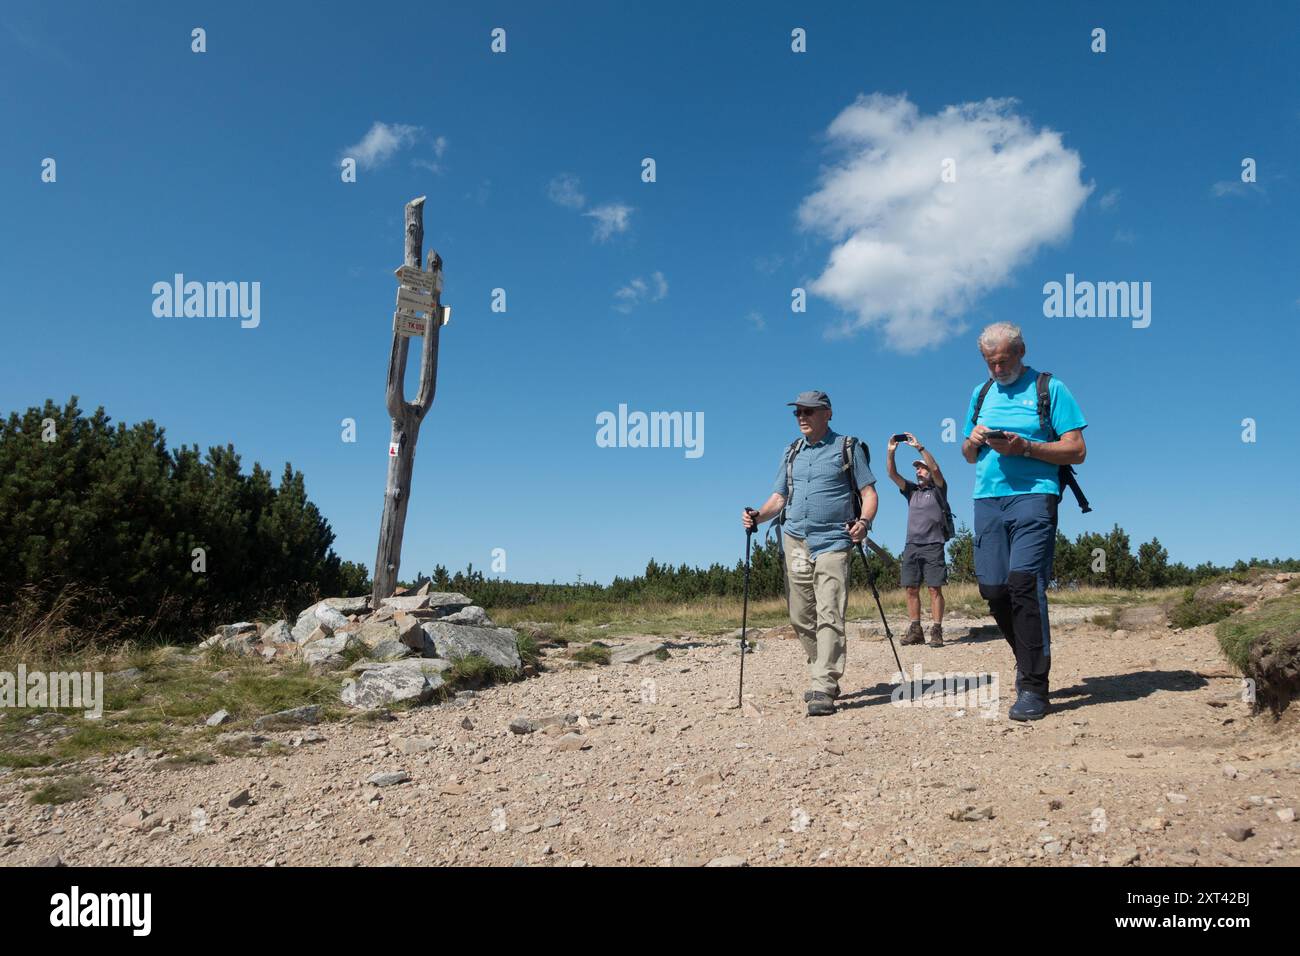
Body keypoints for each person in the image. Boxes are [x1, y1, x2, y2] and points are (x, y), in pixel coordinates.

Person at [961, 322, 1087, 721]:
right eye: (989, 363)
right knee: (994, 590)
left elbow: (1077, 450)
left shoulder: (1051, 388)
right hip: (987, 499)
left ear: (1021, 351)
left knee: (1024, 584)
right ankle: (1028, 656)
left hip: (1035, 495)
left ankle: (1033, 687)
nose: (997, 370)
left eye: (1003, 361)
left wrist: (1027, 447)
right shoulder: (980, 394)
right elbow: (966, 454)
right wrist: (975, 439)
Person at [742, 391, 878, 717]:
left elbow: (868, 492)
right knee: (800, 614)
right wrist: (758, 517)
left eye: (809, 411)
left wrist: (864, 521)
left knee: (830, 610)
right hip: (795, 539)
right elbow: (779, 498)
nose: (802, 416)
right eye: (798, 412)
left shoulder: (847, 447)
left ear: (827, 413)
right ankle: (822, 668)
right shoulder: (792, 452)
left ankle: (823, 684)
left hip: (834, 540)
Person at [885, 433, 949, 648]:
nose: (918, 471)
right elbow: (892, 474)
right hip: (911, 545)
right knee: (911, 588)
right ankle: (916, 630)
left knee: (934, 588)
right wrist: (891, 452)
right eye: (917, 468)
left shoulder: (939, 489)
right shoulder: (911, 491)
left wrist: (919, 448)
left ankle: (937, 630)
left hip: (933, 544)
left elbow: (937, 469)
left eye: (921, 468)